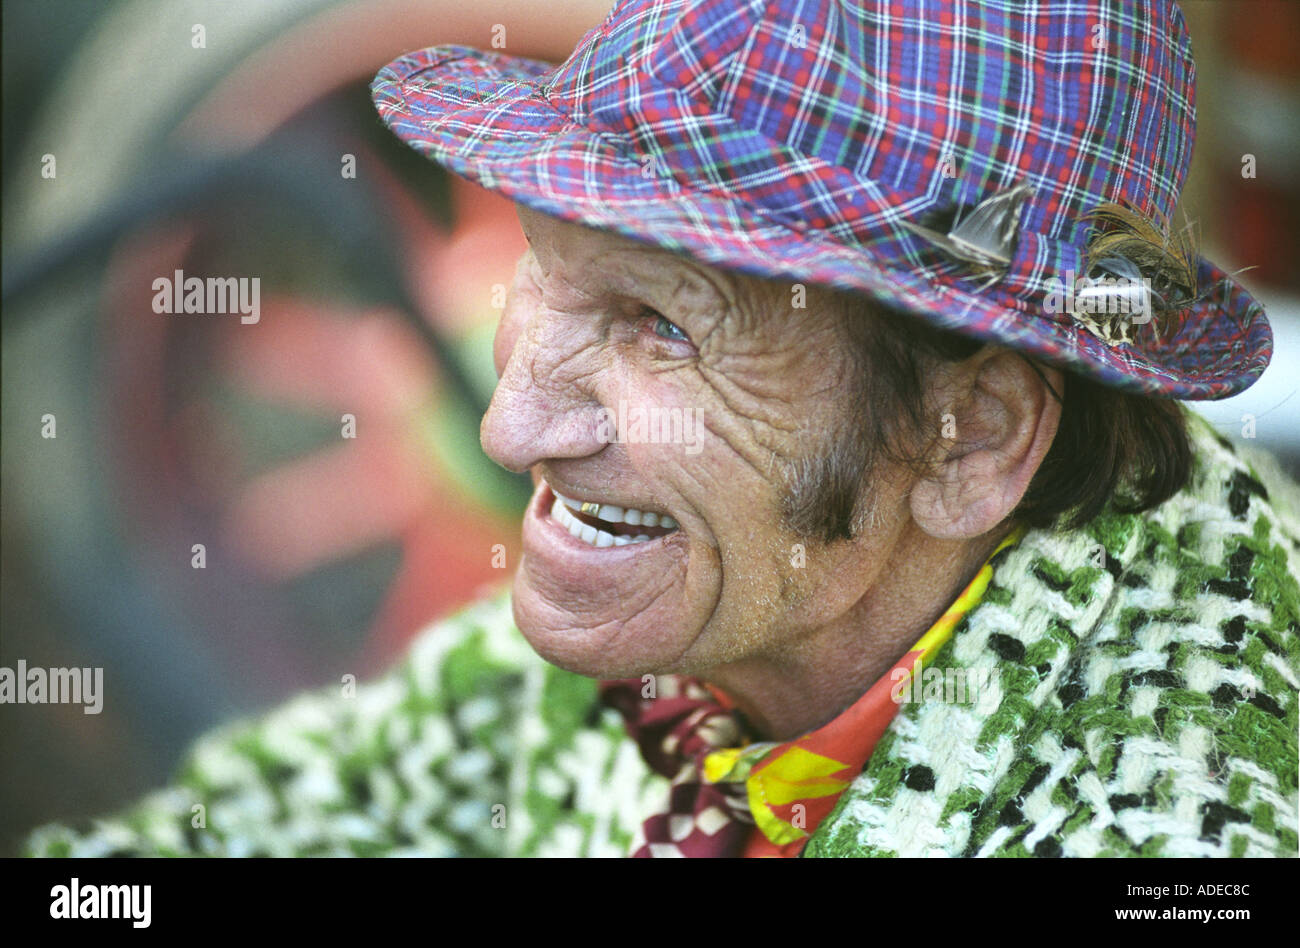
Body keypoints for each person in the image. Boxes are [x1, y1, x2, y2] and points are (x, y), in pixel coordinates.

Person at [26, 0, 1298, 858]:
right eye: (543, 272)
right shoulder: (702, 642)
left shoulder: (1179, 816)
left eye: (658, 326)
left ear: (970, 437)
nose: (512, 426)